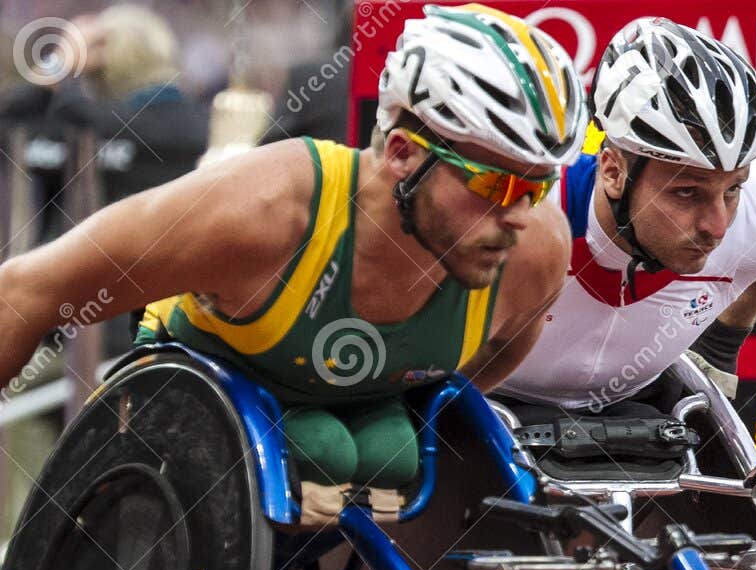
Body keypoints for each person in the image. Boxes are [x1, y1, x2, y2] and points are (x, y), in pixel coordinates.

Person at [0, 4, 586, 523]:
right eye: (493, 183)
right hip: (204, 397)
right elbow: (23, 291)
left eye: (537, 187)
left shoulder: (537, 253)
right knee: (321, 449)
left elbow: (474, 377)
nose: (518, 214)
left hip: (359, 419)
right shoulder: (264, 208)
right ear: (403, 154)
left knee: (388, 456)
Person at [492, 17, 756, 416]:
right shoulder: (520, 213)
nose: (717, 227)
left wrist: (727, 335)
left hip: (635, 404)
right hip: (488, 399)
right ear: (614, 172)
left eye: (733, 188)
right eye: (687, 192)